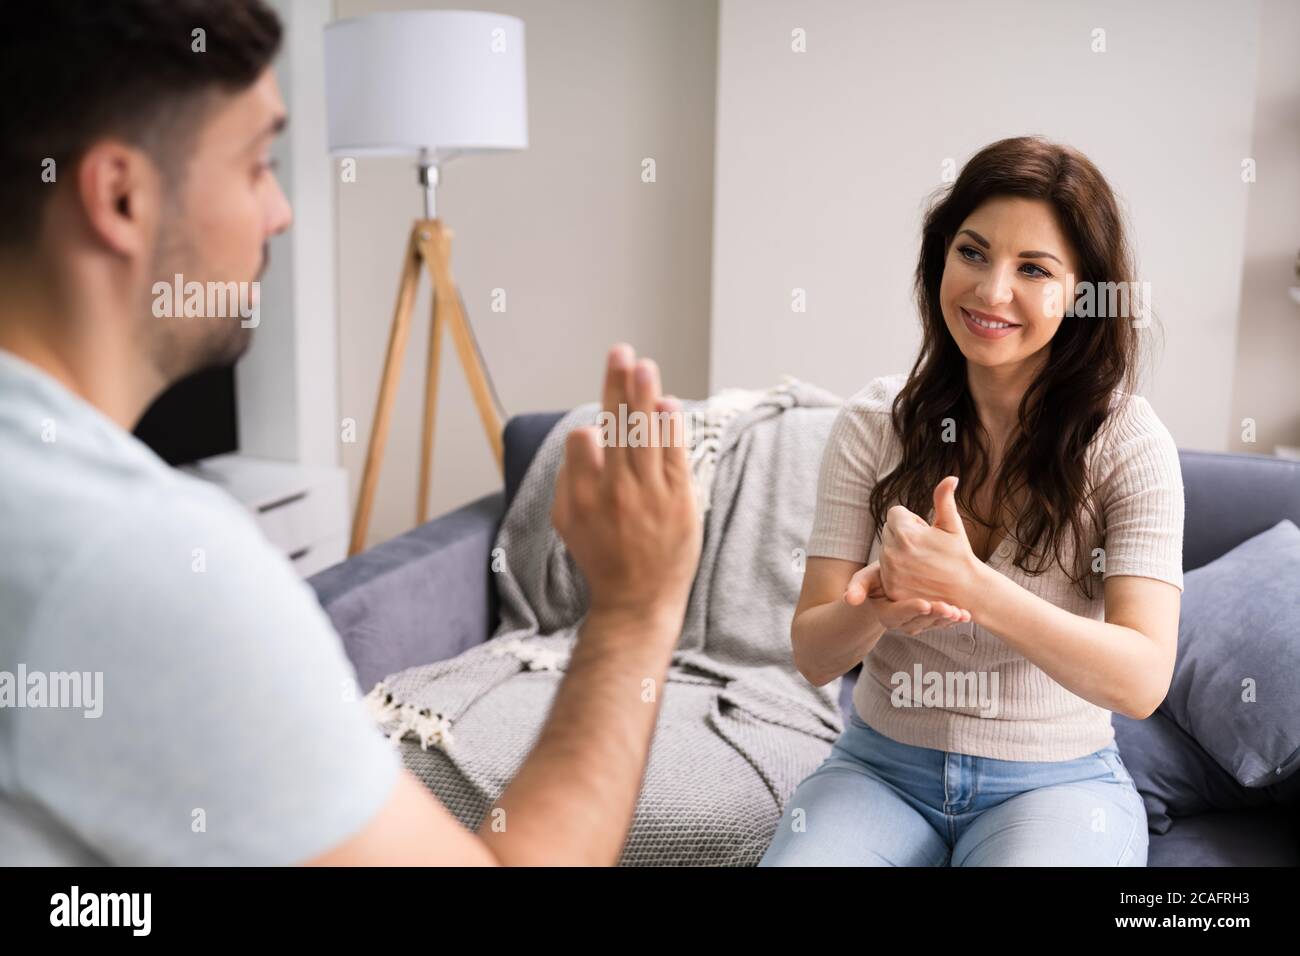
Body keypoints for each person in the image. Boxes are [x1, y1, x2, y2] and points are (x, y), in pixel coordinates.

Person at [0, 1, 700, 866]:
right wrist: (634, 607)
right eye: (258, 165)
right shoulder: (140, 561)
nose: (281, 212)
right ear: (121, 196)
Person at [762, 136, 1183, 866]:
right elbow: (813, 654)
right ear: (940, 259)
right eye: (973, 253)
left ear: (1082, 294)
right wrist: (880, 606)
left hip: (1057, 784)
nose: (991, 292)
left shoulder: (1128, 444)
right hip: (879, 769)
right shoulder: (875, 423)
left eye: (1033, 269)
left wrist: (974, 589)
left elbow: (1142, 680)